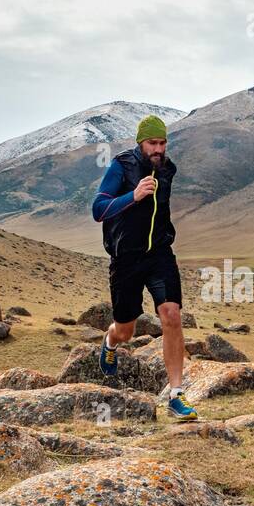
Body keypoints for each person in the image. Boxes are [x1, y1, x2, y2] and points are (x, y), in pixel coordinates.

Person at [90, 114, 197, 420]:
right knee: (126, 330)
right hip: (126, 259)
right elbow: (98, 210)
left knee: (171, 314)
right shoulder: (121, 166)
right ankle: (110, 341)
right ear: (140, 143)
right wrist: (133, 196)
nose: (159, 149)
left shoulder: (168, 169)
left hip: (160, 254)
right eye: (153, 143)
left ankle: (176, 395)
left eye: (163, 143)